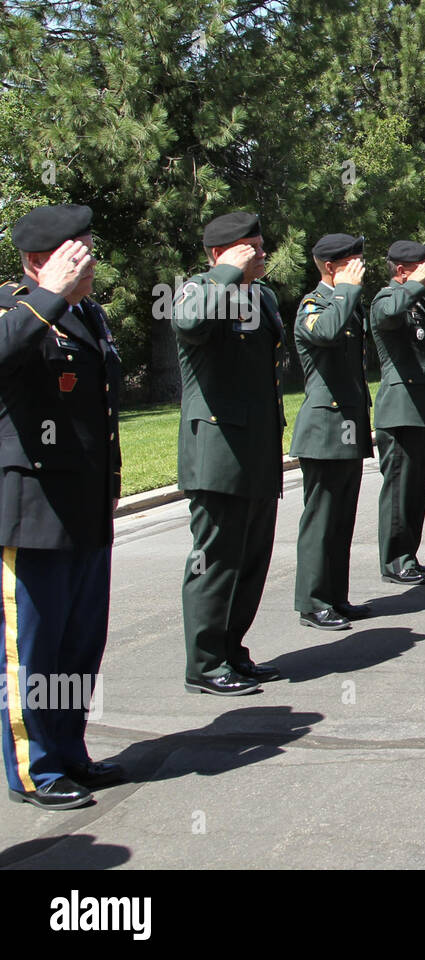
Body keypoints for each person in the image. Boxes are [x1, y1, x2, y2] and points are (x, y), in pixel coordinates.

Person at [0, 204, 123, 809]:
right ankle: (35, 768)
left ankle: (70, 750)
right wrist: (44, 294)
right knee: (33, 647)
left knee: (78, 645)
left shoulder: (89, 316)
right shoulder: (13, 310)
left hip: (85, 507)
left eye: (88, 251)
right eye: (72, 253)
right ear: (34, 261)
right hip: (32, 506)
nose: (86, 264)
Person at [174, 211, 285, 696]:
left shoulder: (261, 296)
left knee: (252, 557)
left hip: (258, 446)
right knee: (216, 558)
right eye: (251, 248)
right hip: (218, 450)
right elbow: (191, 322)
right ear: (221, 252)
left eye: (261, 247)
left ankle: (233, 651)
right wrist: (225, 272)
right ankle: (204, 662)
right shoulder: (197, 289)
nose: (262, 256)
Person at [291, 233, 373, 631]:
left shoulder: (348, 301)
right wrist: (345, 292)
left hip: (349, 425)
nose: (360, 266)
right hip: (324, 428)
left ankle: (335, 596)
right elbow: (322, 334)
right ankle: (312, 601)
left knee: (342, 520)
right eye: (351, 260)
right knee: (321, 520)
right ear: (329, 267)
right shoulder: (314, 304)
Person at [368, 239, 425, 584]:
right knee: (400, 490)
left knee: (416, 490)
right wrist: (413, 285)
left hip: (418, 409)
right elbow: (386, 316)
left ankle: (409, 555)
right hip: (399, 410)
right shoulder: (387, 298)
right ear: (402, 270)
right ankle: (395, 560)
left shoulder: (414, 301)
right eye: (421, 263)